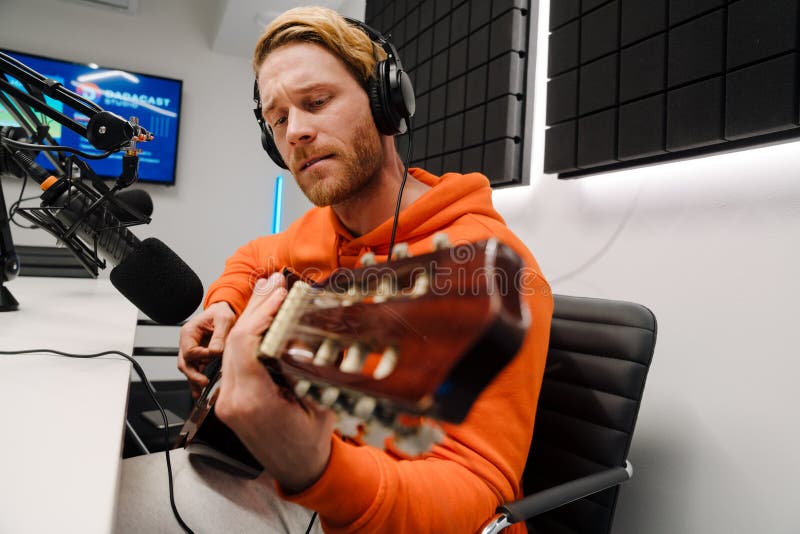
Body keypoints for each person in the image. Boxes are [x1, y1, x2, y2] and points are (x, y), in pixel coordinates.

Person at [118, 6, 552, 533]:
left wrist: (317, 469)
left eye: (316, 102)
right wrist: (222, 304)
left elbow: (478, 497)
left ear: (386, 103)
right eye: (278, 119)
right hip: (296, 490)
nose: (295, 131)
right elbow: (254, 257)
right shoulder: (322, 228)